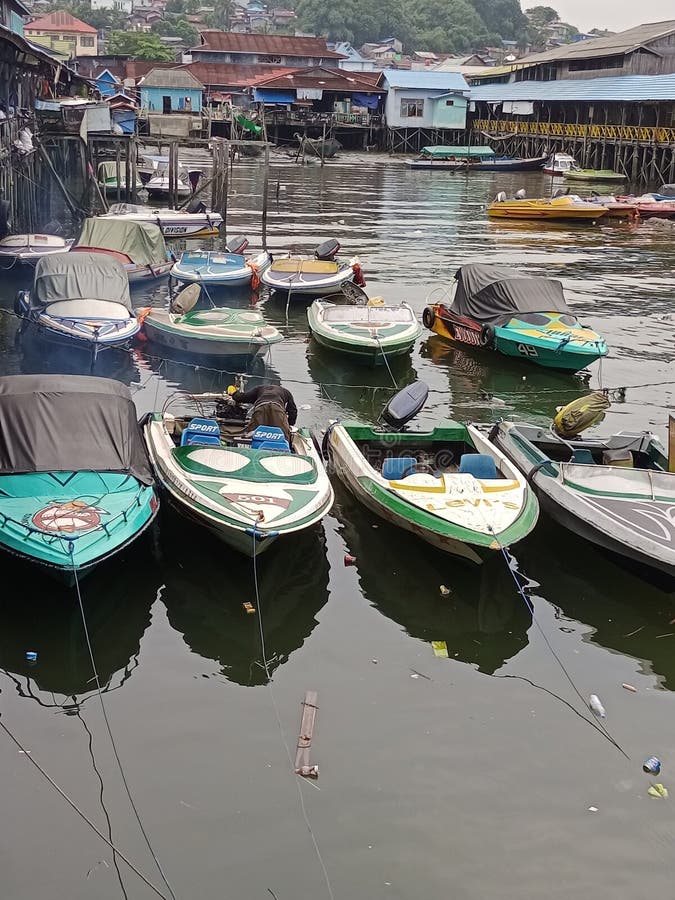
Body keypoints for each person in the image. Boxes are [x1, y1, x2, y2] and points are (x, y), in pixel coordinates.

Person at [226, 383, 298, 444]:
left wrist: (234, 392)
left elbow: (242, 397)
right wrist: (289, 426)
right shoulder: (286, 392)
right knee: (283, 436)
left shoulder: (259, 389)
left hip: (261, 408)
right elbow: (293, 411)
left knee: (250, 435)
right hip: (278, 409)